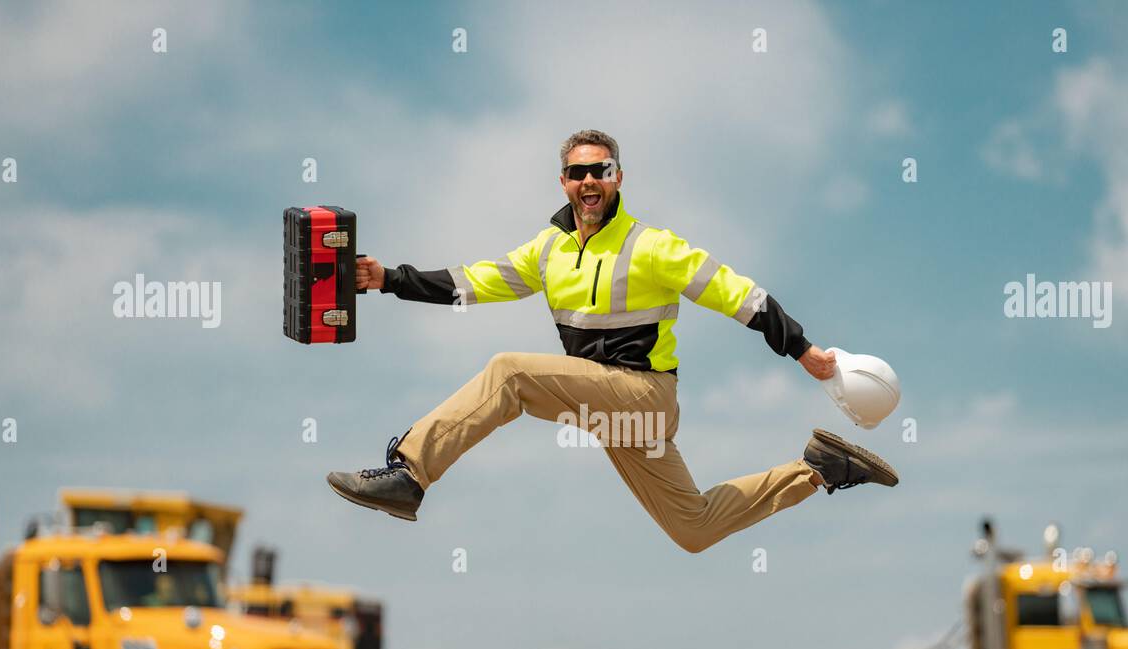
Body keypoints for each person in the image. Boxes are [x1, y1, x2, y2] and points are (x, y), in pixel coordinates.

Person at [327, 129, 897, 553]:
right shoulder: (547, 250)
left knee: (510, 374)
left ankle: (410, 473)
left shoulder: (653, 246)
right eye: (578, 173)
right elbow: (474, 282)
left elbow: (736, 294)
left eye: (600, 170)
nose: (589, 181)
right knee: (692, 528)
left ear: (618, 176)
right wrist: (388, 279)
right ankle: (821, 469)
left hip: (645, 396)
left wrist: (804, 352)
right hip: (611, 415)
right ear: (564, 183)